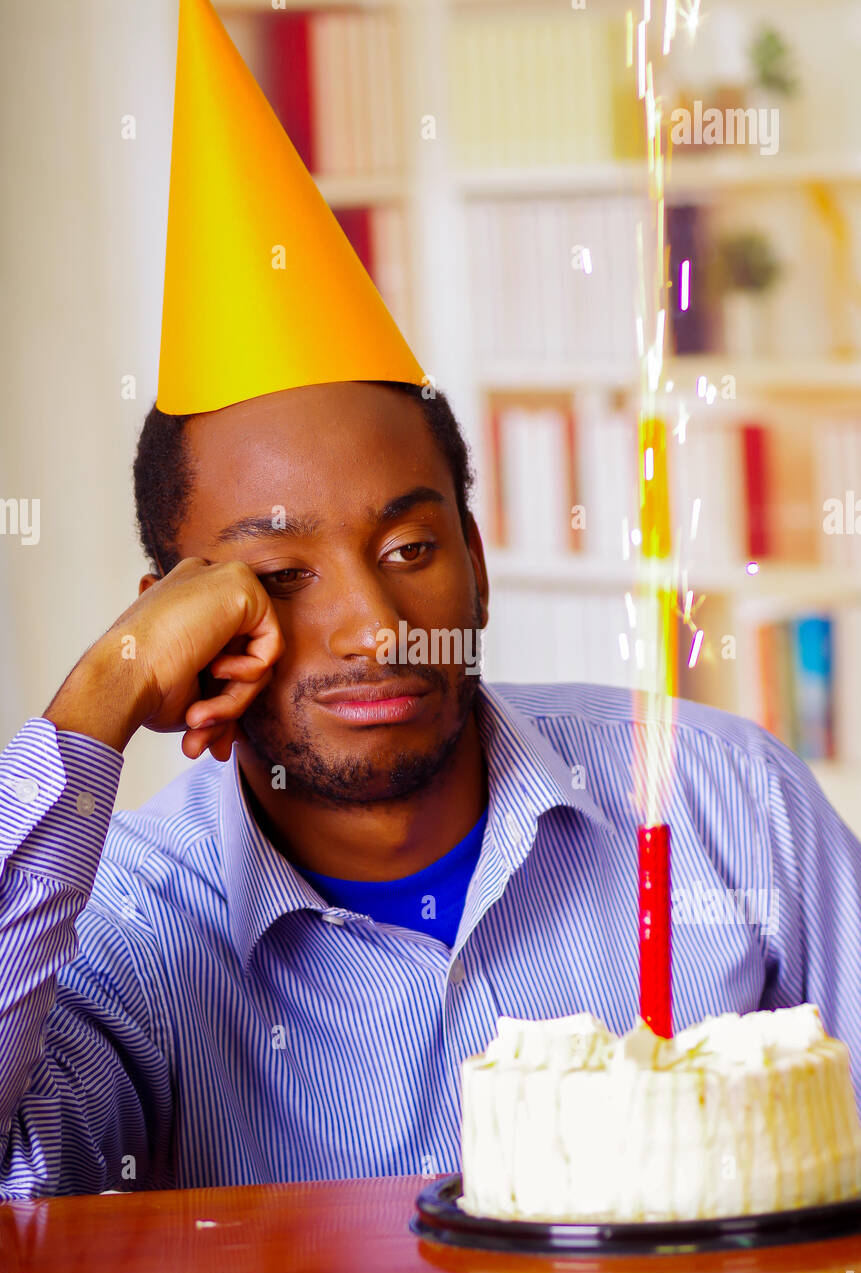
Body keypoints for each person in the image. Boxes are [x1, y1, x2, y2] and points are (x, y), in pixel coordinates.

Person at [2, 0, 860, 1197]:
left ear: (478, 558)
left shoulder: (724, 805)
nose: (375, 625)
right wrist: (92, 703)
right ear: (174, 623)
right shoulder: (128, 935)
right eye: (280, 576)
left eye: (411, 547)